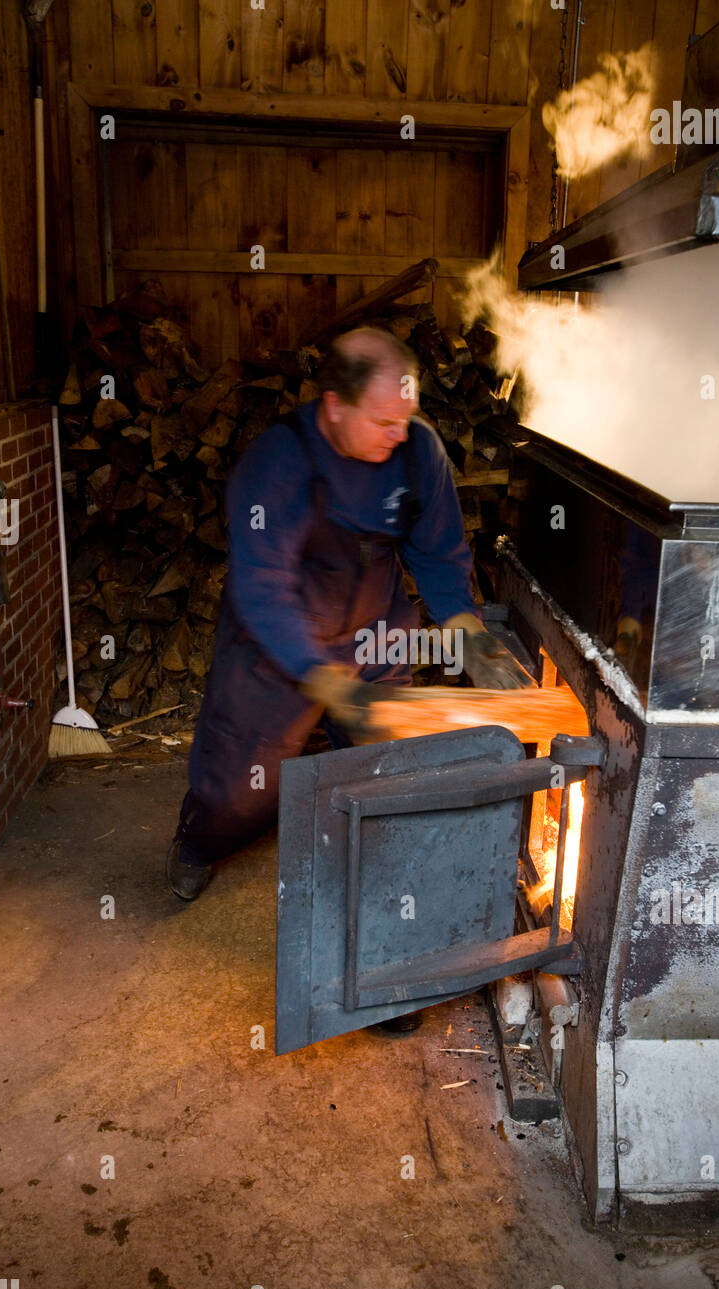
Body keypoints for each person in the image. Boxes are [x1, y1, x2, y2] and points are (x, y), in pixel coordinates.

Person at [166, 326, 531, 905]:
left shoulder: (418, 451)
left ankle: (375, 876)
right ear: (335, 407)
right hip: (280, 640)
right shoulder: (278, 464)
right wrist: (326, 681)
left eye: (406, 418)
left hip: (375, 633)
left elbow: (437, 552)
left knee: (386, 764)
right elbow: (262, 588)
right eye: (383, 421)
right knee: (240, 790)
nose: (399, 433)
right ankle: (199, 843)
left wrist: (467, 632)